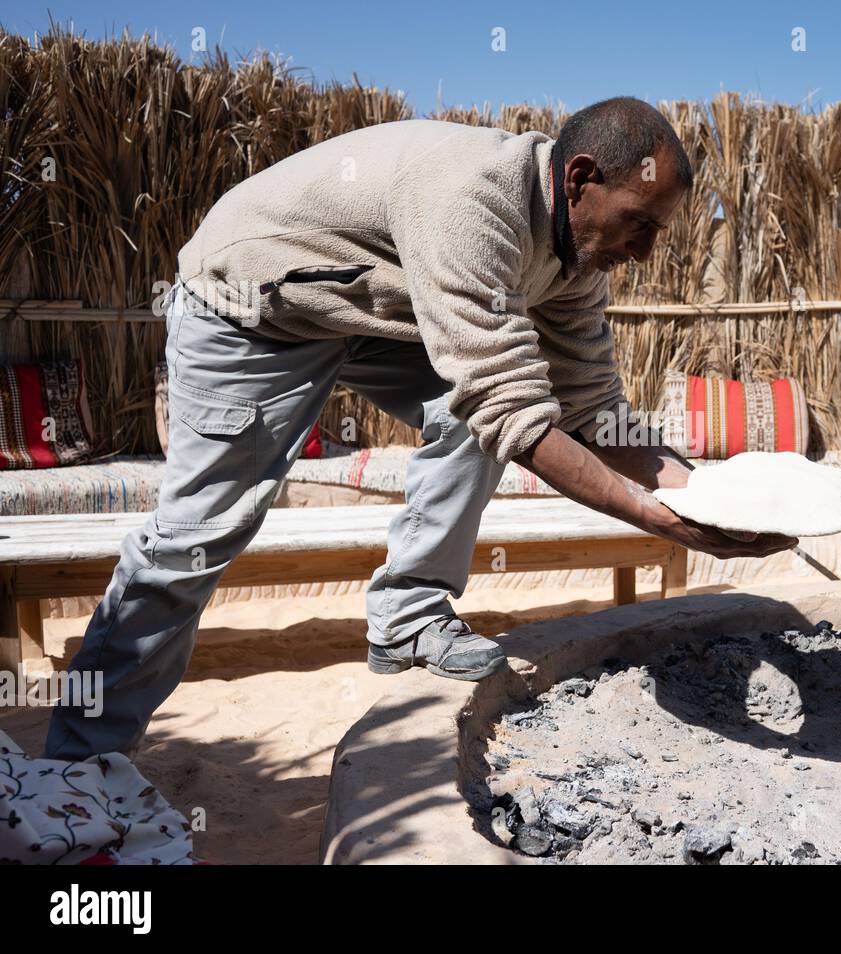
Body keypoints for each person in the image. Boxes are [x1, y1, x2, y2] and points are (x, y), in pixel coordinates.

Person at [45, 96, 795, 762]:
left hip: (371, 313)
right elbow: (513, 413)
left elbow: (598, 414)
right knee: (196, 537)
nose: (643, 254)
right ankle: (79, 761)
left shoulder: (574, 262)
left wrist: (708, 499)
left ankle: (408, 614)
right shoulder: (473, 201)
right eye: (639, 225)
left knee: (477, 411)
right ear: (580, 179)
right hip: (252, 310)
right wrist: (658, 521)